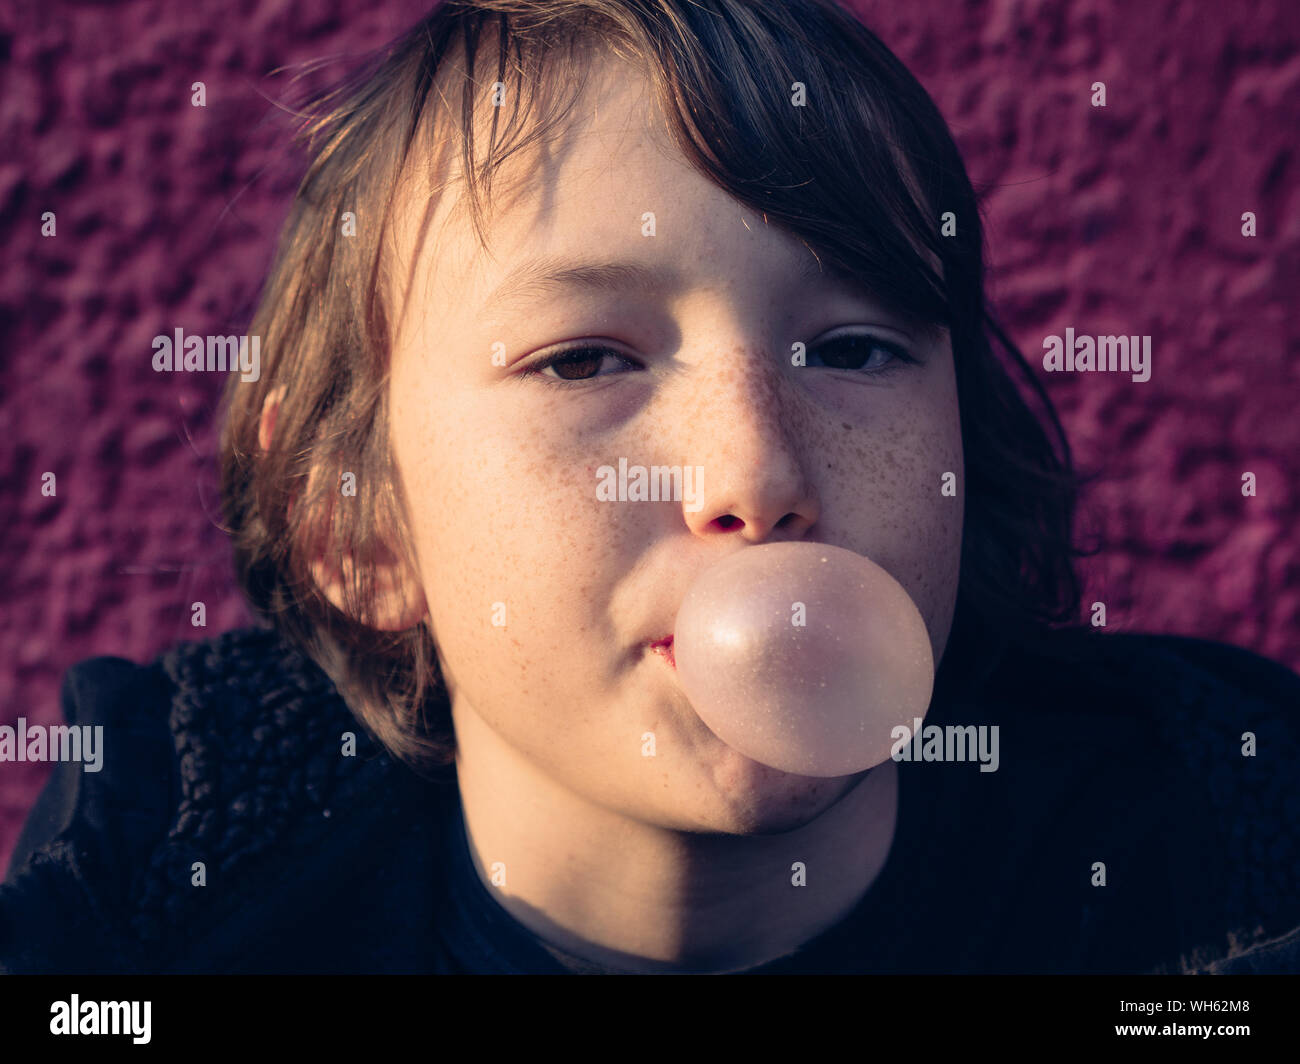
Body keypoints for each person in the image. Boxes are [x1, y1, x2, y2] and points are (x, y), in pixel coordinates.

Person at [3, 0, 1298, 975]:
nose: (755, 476)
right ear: (356, 517)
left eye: (852, 348)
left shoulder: (1218, 852)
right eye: (581, 360)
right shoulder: (164, 889)